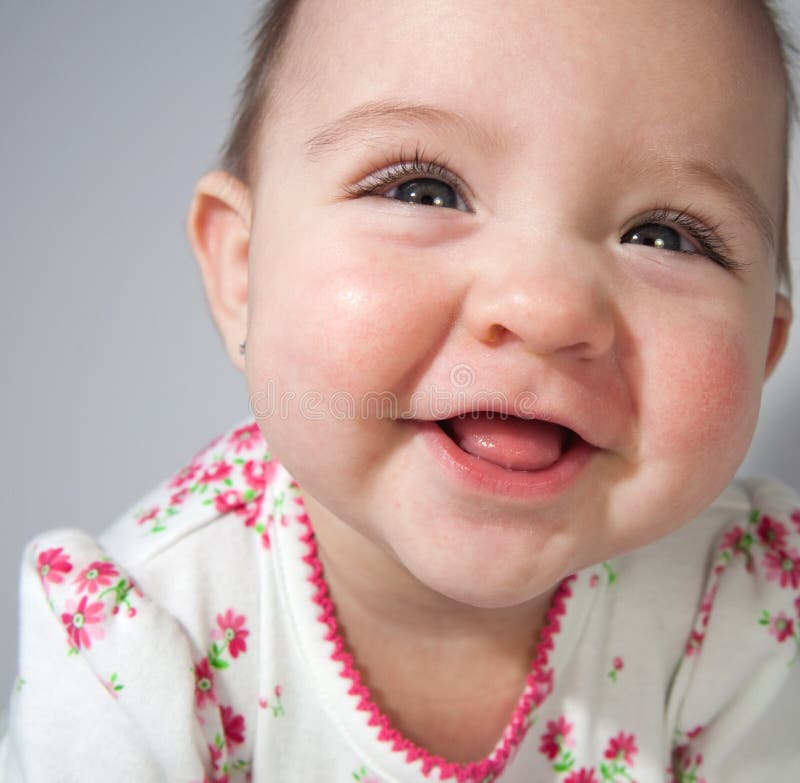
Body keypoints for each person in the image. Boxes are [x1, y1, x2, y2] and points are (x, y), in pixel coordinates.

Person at [2, 0, 800, 780]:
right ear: (245, 271)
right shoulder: (133, 649)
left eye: (664, 236)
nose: (546, 307)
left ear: (763, 349)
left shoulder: (743, 607)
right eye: (425, 190)